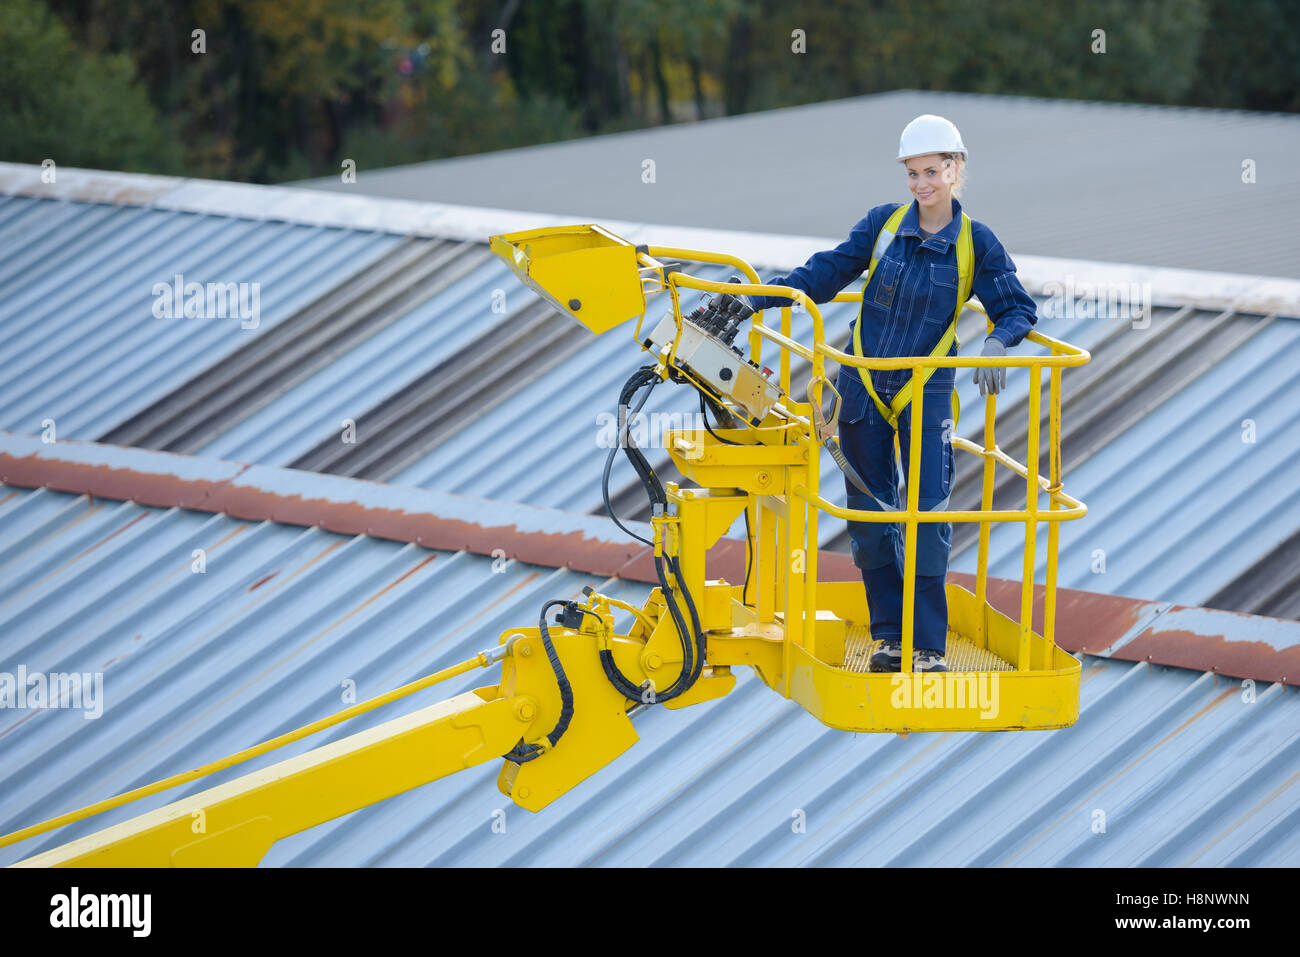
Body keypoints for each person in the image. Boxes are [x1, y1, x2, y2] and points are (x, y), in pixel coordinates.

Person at [714, 115, 1039, 673]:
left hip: (925, 390)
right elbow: (823, 275)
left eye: (932, 172)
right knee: (868, 514)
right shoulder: (882, 226)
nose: (921, 185)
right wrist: (755, 298)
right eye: (913, 174)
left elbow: (1017, 307)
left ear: (956, 169)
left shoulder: (975, 244)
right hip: (861, 386)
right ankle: (890, 637)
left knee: (928, 514)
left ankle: (929, 646)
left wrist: (997, 342)